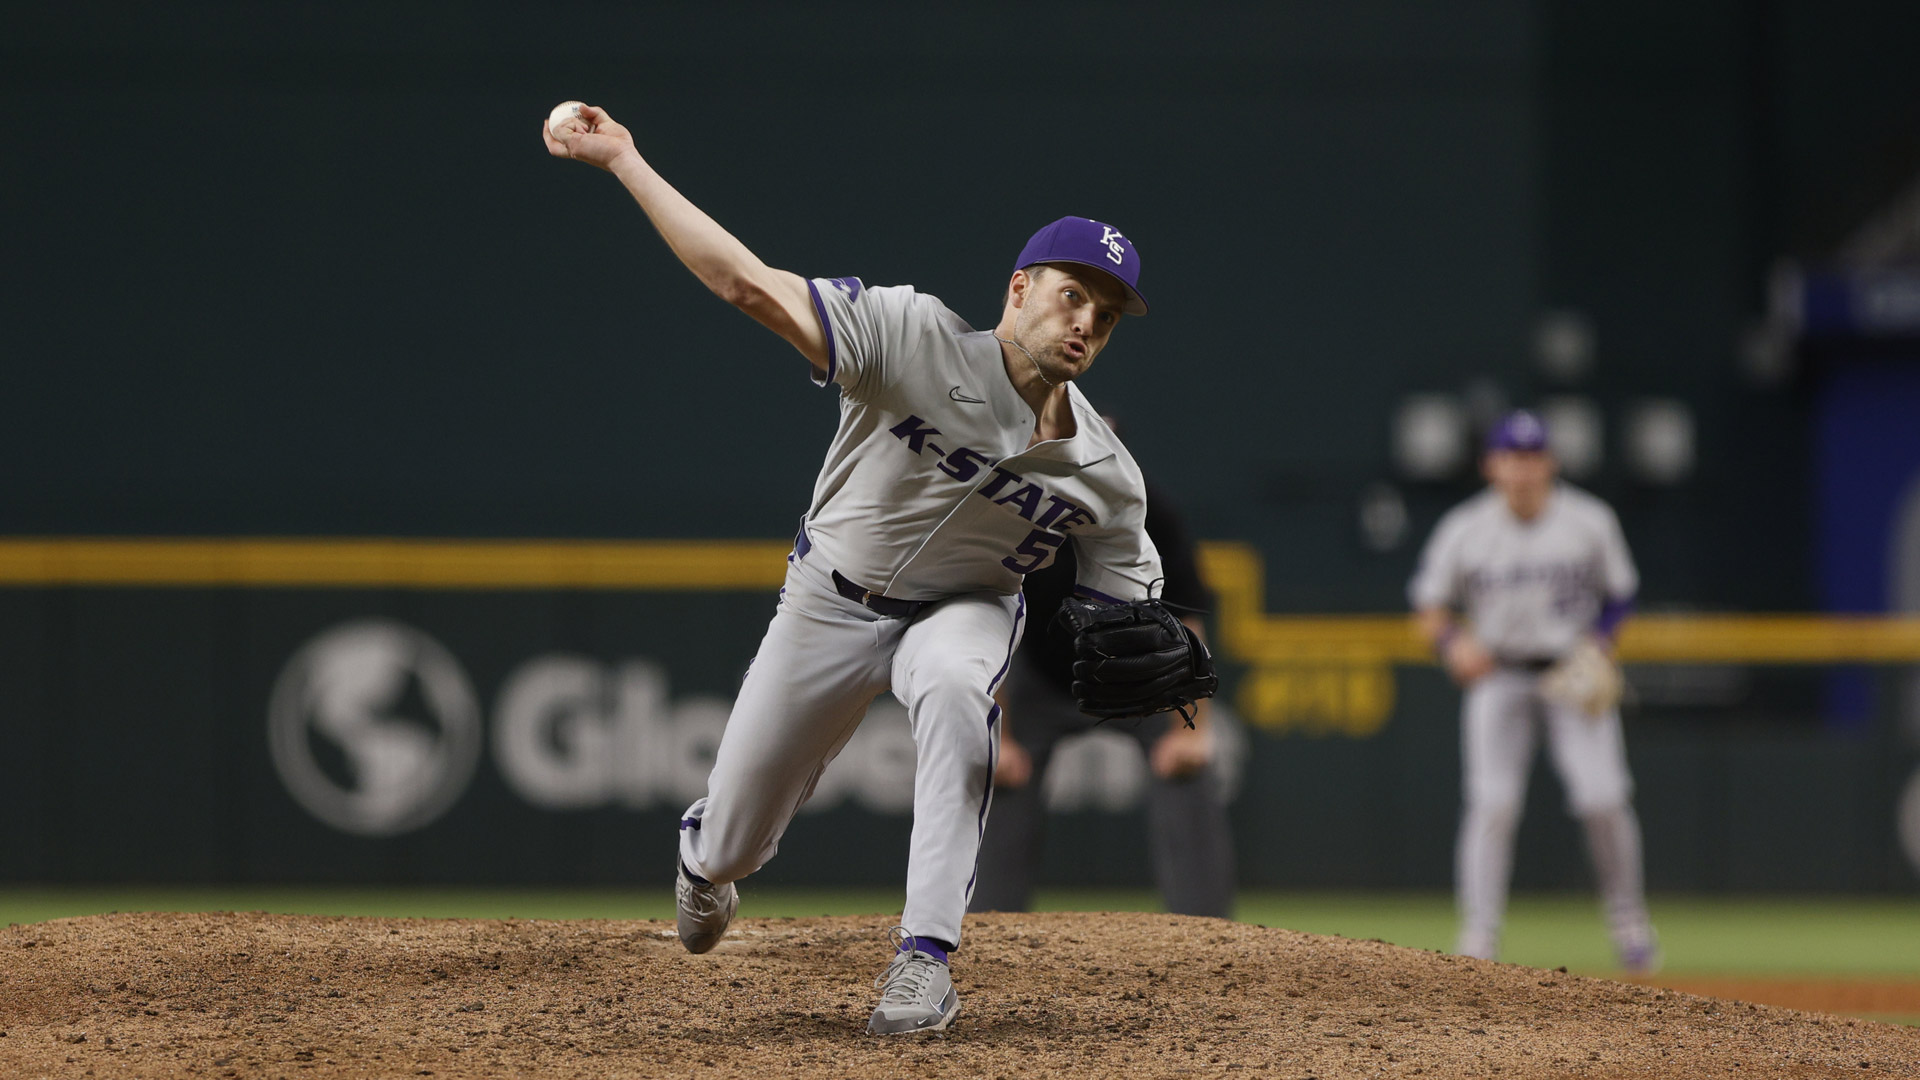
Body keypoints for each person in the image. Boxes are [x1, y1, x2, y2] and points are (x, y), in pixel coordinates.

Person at [544, 104, 1184, 1033]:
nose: (1086, 320)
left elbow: (1134, 605)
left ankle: (925, 960)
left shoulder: (1105, 474)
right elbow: (745, 285)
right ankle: (704, 859)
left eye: (1107, 313)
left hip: (966, 607)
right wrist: (626, 161)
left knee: (960, 693)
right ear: (1018, 289)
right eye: (1071, 294)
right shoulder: (910, 336)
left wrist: (1149, 645)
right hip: (829, 600)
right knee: (730, 845)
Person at [1408, 409, 1658, 971]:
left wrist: (1601, 642)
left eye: (1532, 456)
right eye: (1511, 457)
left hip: (1571, 675)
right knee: (1492, 804)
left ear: (1551, 462)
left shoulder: (1589, 521)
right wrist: (1451, 642)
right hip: (1498, 676)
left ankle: (1630, 922)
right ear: (1490, 465)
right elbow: (1427, 602)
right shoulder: (1465, 528)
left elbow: (1621, 595)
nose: (1522, 468)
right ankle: (1479, 936)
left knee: (1603, 798)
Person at [970, 477, 1234, 918]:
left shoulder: (1148, 507)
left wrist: (1192, 733)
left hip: (1137, 675)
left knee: (1186, 766)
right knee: (997, 769)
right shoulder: (1020, 507)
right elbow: (990, 628)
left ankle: (1207, 934)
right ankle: (986, 928)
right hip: (1042, 677)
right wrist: (1001, 737)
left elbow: (1187, 616)